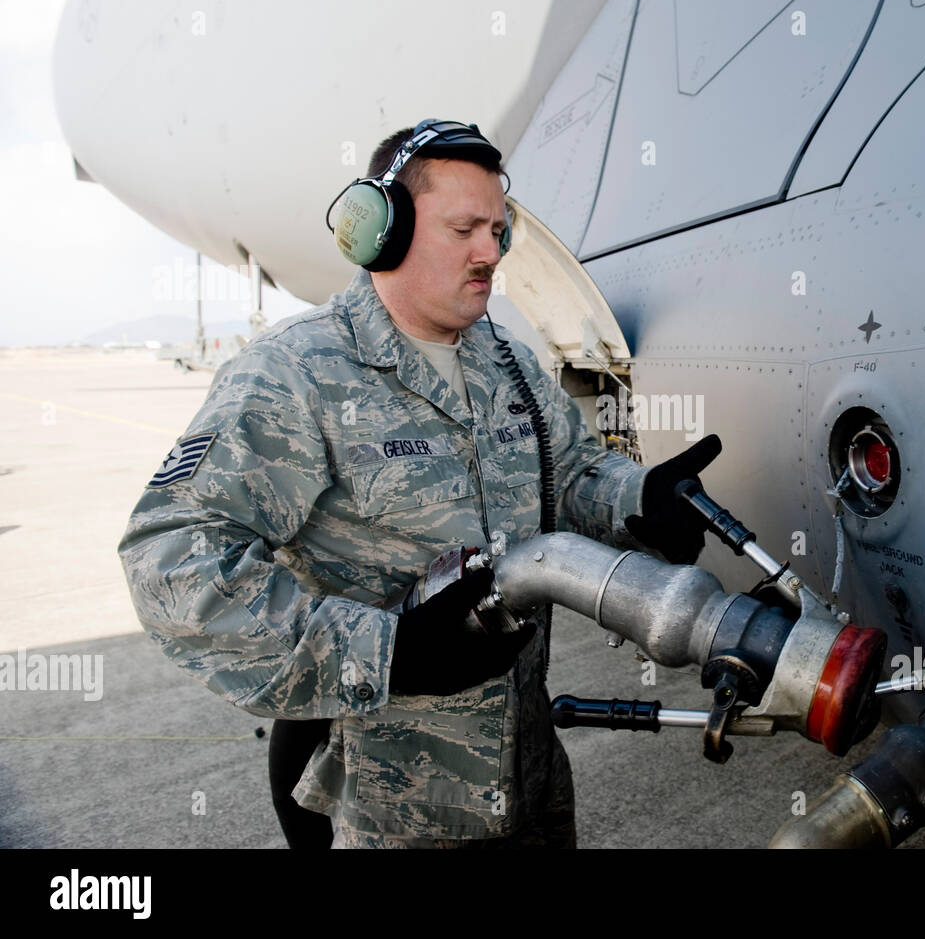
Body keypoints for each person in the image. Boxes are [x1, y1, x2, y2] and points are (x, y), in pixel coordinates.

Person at [118, 120, 722, 848]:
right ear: (384, 232)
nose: (491, 252)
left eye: (499, 229)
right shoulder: (297, 375)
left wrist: (638, 499)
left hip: (531, 793)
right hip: (393, 816)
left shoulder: (507, 363)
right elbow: (170, 558)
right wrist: (386, 649)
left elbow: (571, 476)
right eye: (465, 227)